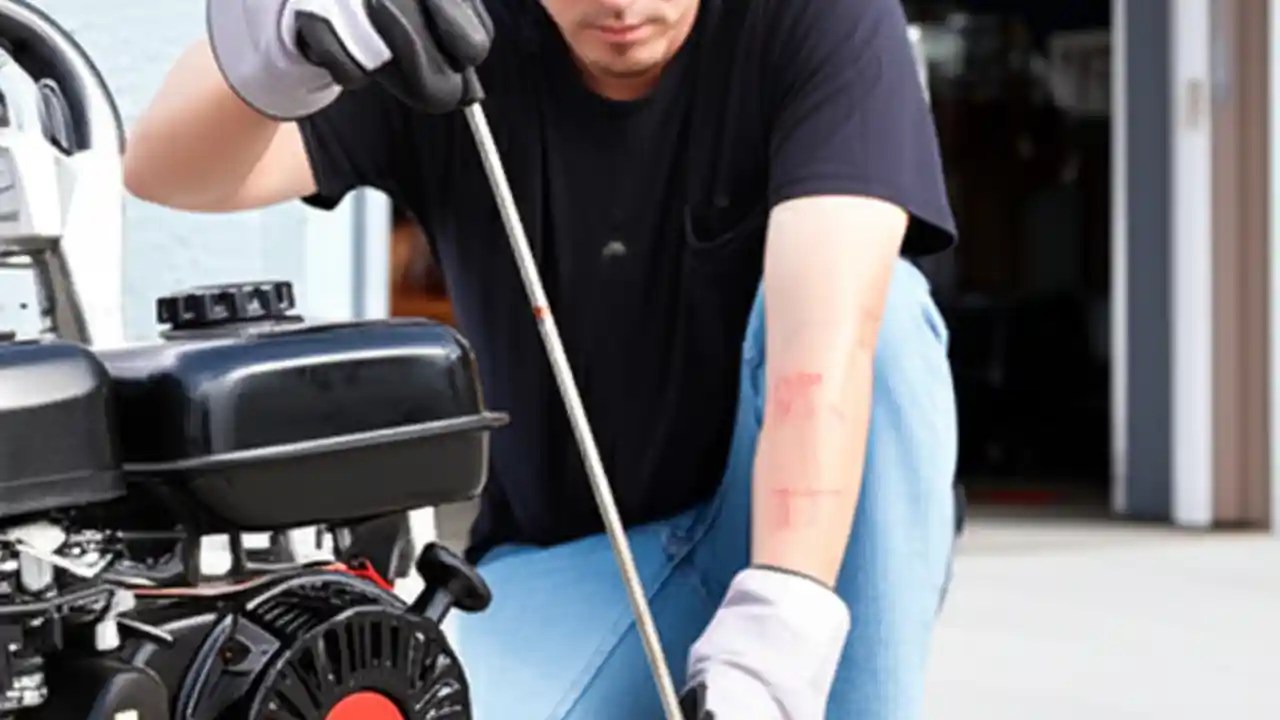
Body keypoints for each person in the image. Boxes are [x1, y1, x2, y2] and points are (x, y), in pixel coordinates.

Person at [123, 0, 959, 717]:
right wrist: (276, 49)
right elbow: (164, 169)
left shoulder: (820, 19)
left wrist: (781, 624)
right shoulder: (452, 28)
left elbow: (832, 351)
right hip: (569, 560)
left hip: (787, 530)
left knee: (888, 315)